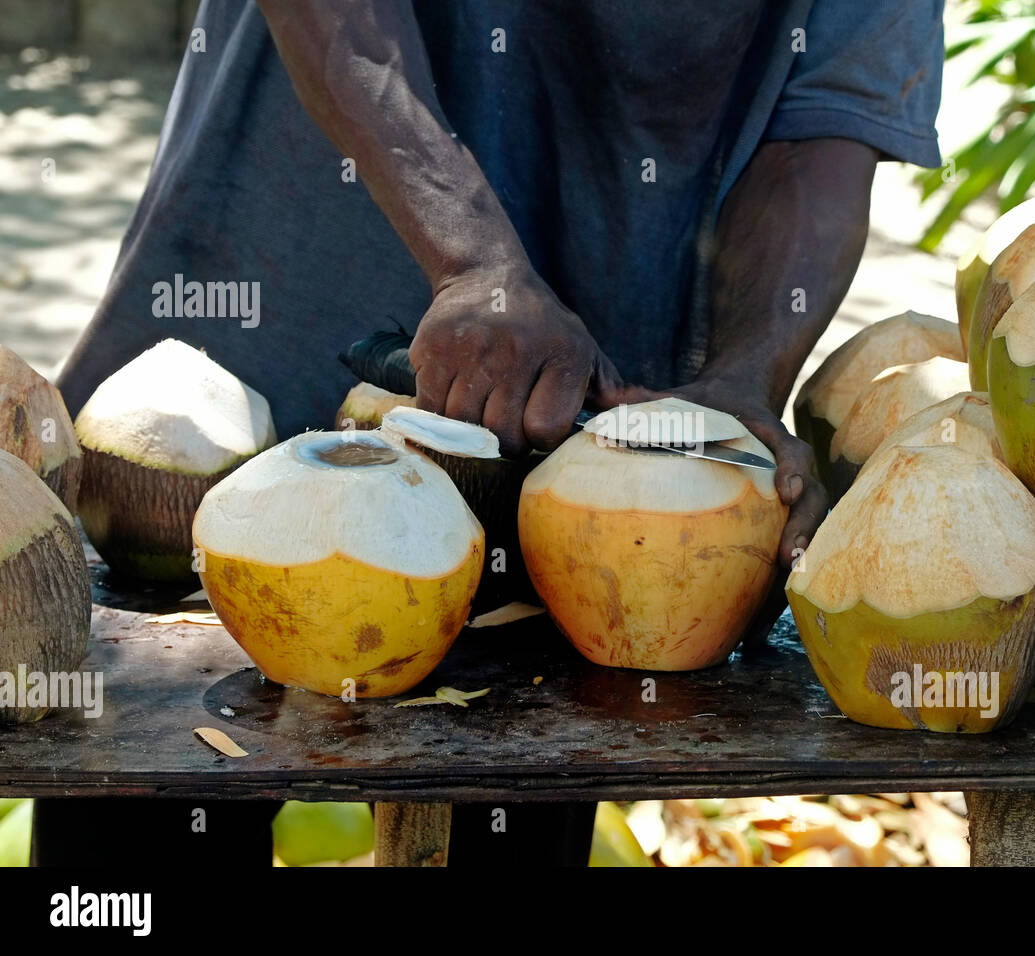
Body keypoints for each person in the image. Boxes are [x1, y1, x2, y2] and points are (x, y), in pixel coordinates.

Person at [46, 0, 943, 866]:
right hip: (246, 351)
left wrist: (744, 377)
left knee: (523, 787)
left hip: (587, 475)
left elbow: (823, 131)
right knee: (150, 805)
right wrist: (475, 260)